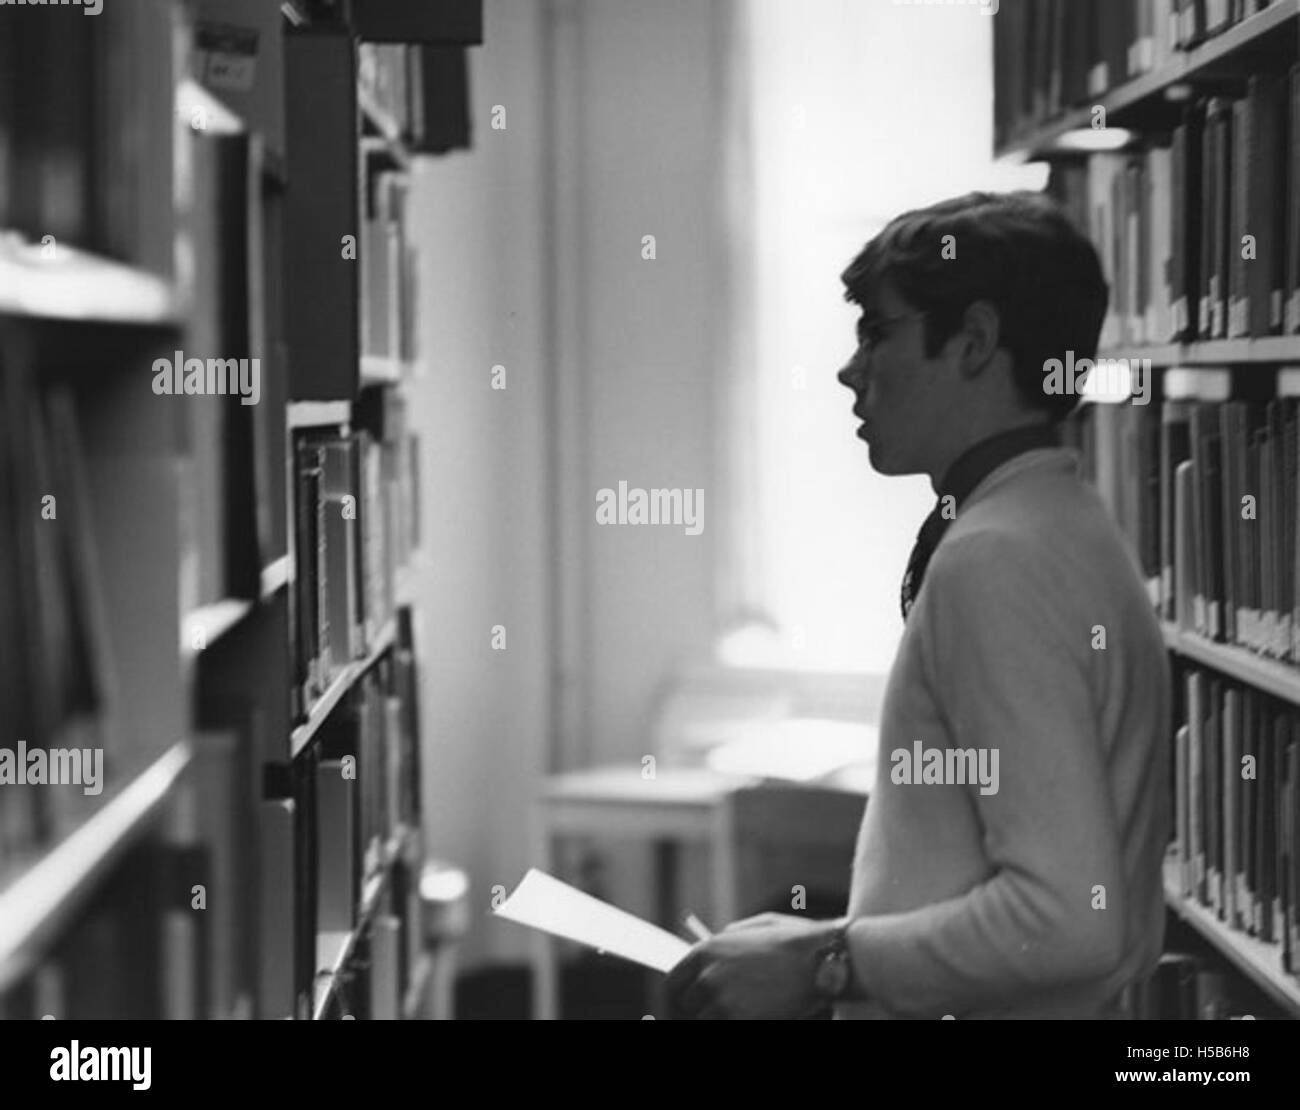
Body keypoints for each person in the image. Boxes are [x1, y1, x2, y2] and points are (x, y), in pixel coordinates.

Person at [665, 191, 1171, 1019]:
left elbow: (1069, 922)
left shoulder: (995, 562)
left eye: (875, 332)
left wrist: (820, 962)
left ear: (972, 342)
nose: (849, 367)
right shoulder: (1063, 523)